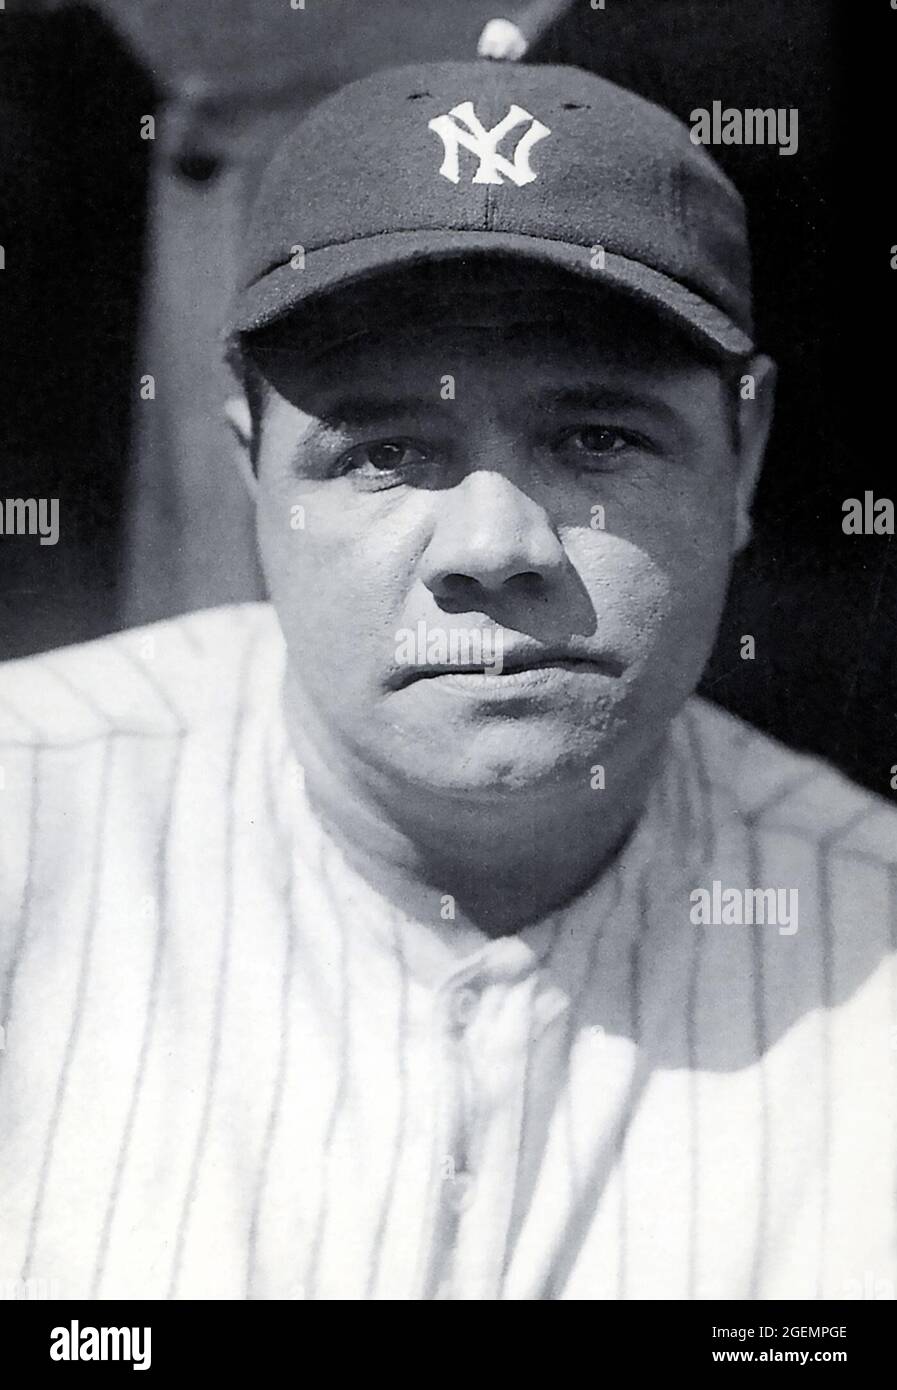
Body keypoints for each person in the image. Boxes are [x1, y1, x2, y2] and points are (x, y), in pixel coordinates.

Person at [1, 59, 894, 1302]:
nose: (492, 545)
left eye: (596, 438)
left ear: (742, 463)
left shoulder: (875, 946)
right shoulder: (24, 830)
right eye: (383, 453)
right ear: (253, 473)